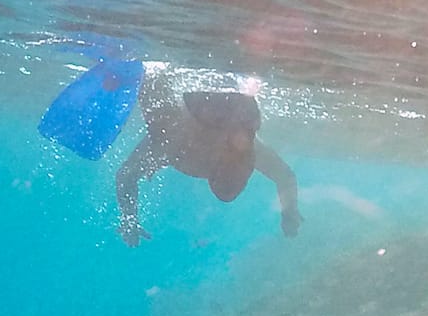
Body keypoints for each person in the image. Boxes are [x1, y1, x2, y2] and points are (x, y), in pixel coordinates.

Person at [114, 76, 300, 246]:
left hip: (179, 120)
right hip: (184, 119)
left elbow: (126, 175)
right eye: (244, 169)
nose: (244, 164)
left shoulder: (182, 150)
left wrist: (129, 218)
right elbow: (285, 176)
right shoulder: (243, 152)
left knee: (153, 85)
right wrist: (289, 212)